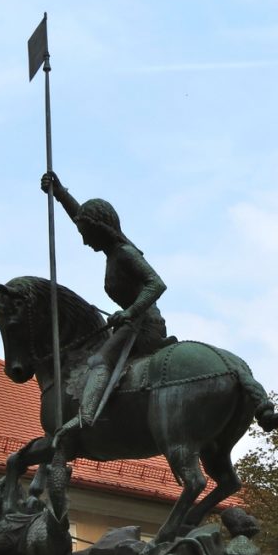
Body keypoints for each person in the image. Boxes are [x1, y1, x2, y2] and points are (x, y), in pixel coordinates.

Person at [41, 171, 170, 437]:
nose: (84, 240)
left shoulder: (124, 253)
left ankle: (86, 417)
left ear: (100, 229)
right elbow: (81, 215)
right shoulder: (114, 251)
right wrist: (60, 193)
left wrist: (130, 311)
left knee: (100, 360)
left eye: (86, 233)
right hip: (131, 323)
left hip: (145, 326)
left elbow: (156, 284)